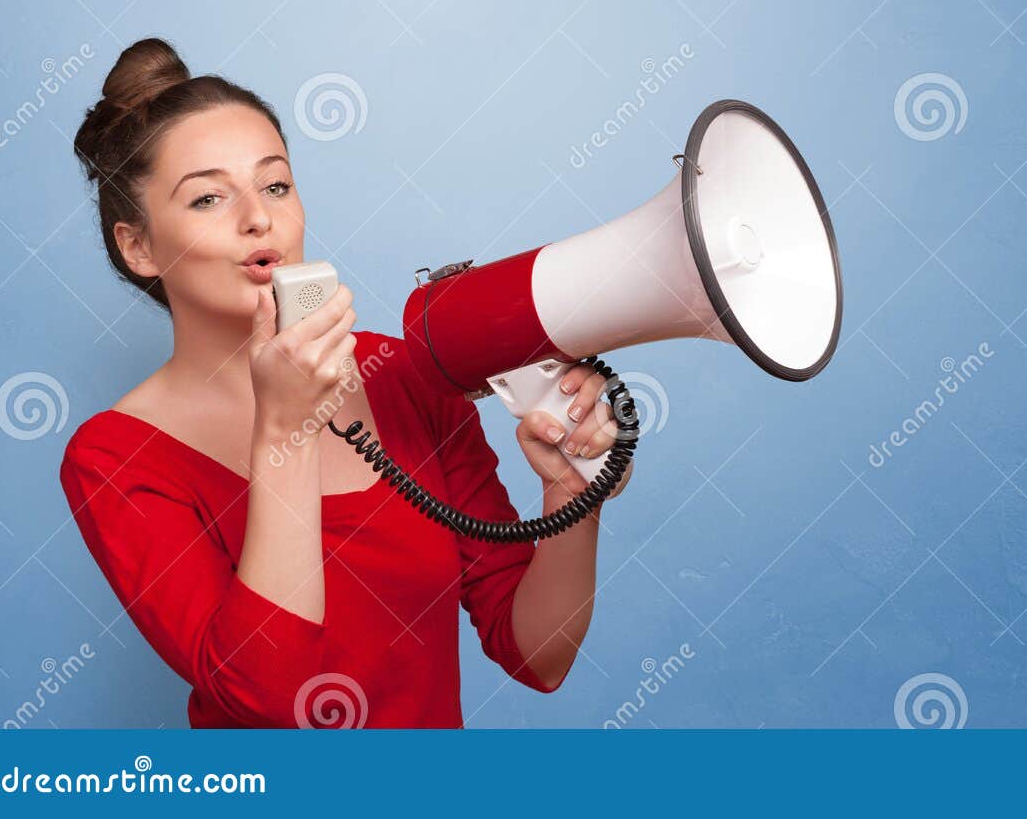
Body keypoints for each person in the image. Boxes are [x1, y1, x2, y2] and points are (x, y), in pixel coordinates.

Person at [59, 37, 620, 728]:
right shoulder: (115, 459)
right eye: (207, 198)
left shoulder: (404, 374)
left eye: (275, 185)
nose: (257, 217)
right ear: (138, 246)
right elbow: (272, 697)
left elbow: (539, 655)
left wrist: (572, 495)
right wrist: (286, 432)